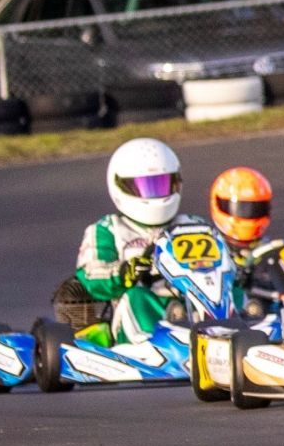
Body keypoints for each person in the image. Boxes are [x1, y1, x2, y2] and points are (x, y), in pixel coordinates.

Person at [74, 137, 201, 347]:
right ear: (121, 186)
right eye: (148, 187)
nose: (156, 195)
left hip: (196, 305)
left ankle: (236, 336)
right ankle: (152, 346)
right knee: (137, 296)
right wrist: (126, 273)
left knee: (238, 294)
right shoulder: (108, 229)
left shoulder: (192, 225)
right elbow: (91, 277)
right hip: (148, 307)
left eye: (162, 185)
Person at [210, 166, 284, 314]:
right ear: (218, 204)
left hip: (268, 317)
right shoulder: (210, 248)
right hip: (216, 316)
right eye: (240, 208)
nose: (247, 214)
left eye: (254, 208)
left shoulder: (273, 251)